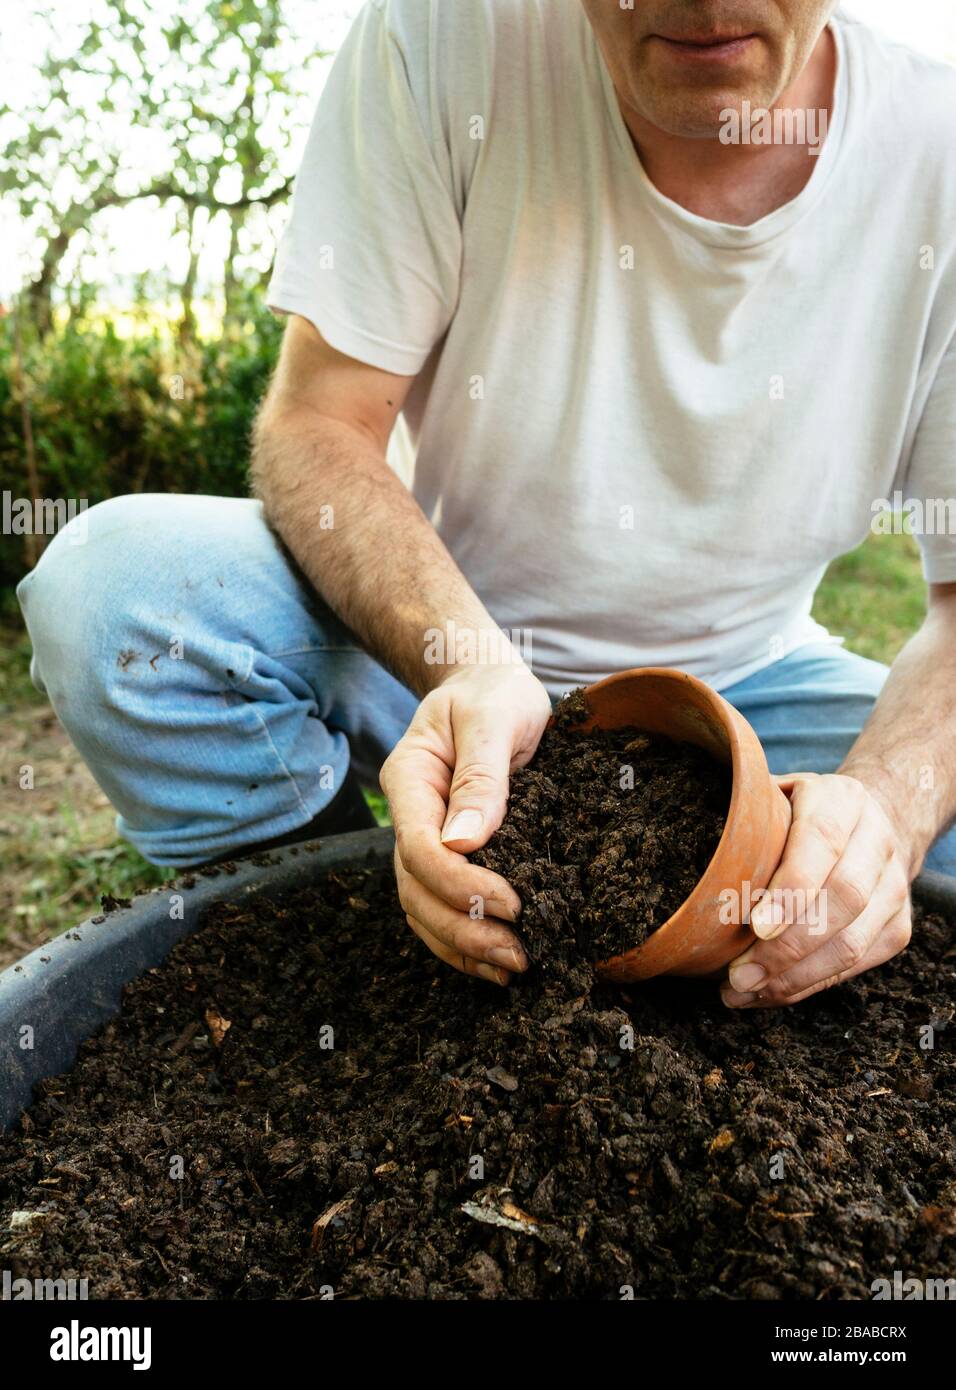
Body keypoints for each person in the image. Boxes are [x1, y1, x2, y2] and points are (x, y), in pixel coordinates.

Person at [18, 1, 956, 1009]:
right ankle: (374, 919)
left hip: (757, 693)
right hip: (445, 650)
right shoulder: (439, 35)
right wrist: (470, 666)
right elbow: (315, 426)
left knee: (901, 822)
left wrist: (885, 814)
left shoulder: (933, 147)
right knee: (113, 595)